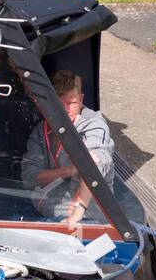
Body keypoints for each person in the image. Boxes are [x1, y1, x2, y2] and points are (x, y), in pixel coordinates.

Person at [20, 69, 114, 227]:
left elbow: (95, 164)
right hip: (46, 211)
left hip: (89, 217)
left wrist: (78, 211)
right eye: (59, 104)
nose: (65, 110)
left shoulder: (94, 126)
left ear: (81, 100)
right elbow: (29, 176)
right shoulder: (40, 131)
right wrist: (70, 170)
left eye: (71, 103)